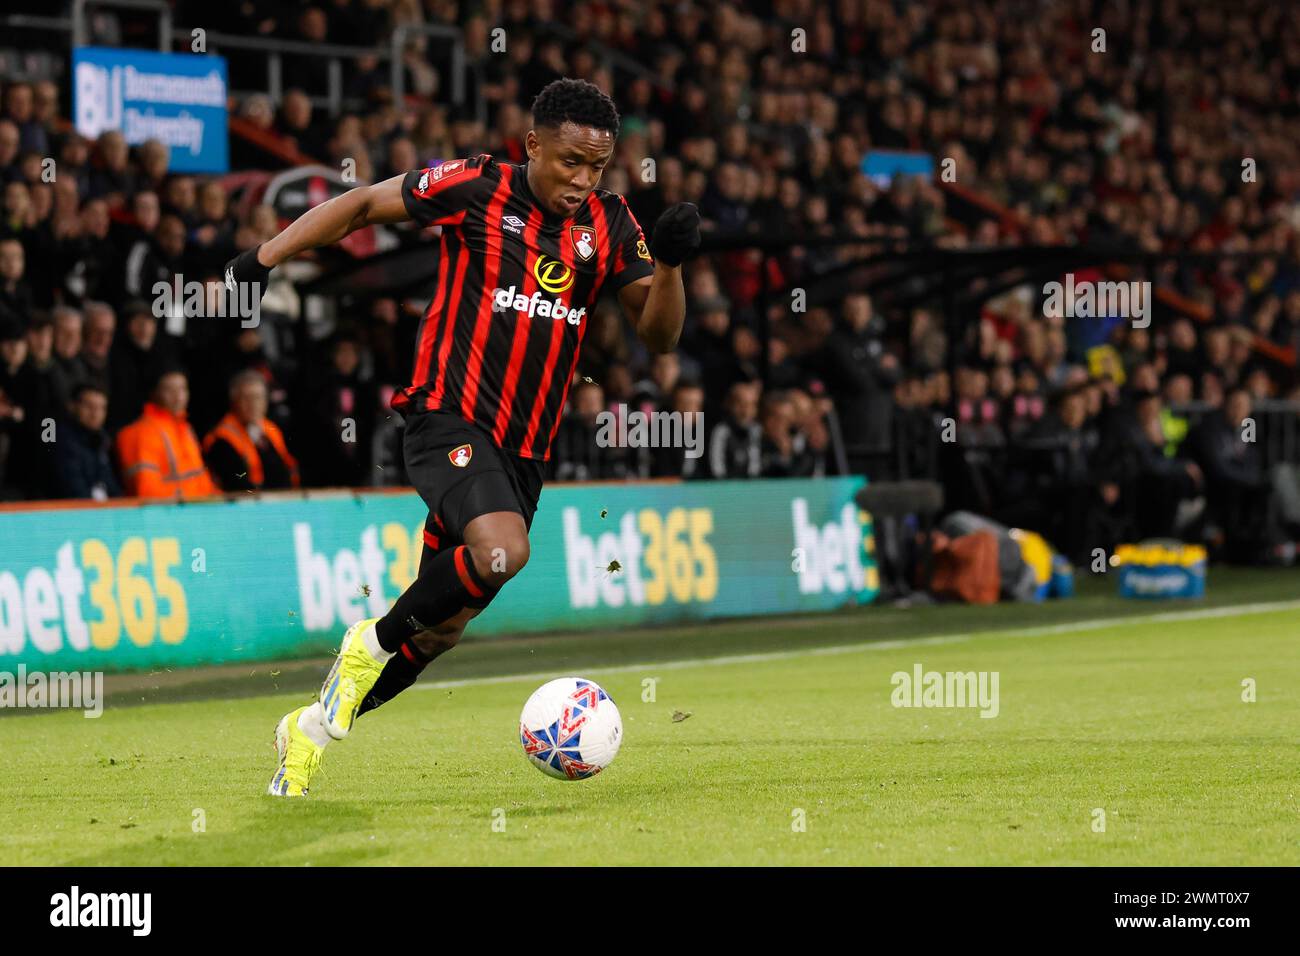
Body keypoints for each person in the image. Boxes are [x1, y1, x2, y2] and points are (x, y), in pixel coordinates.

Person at [224, 78, 698, 797]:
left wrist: (668, 268)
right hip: (446, 416)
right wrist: (261, 260)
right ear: (533, 143)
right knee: (502, 551)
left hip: (524, 450)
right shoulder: (478, 185)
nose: (582, 180)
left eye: (596, 167)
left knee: (442, 630)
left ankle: (311, 728)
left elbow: (660, 337)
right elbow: (358, 205)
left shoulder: (608, 222)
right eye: (570, 161)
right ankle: (368, 642)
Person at [114, 369, 220, 499]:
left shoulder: (185, 428)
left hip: (194, 511)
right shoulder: (140, 433)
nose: (178, 396)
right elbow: (147, 492)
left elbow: (202, 481)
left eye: (182, 389)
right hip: (168, 514)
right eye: (169, 390)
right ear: (154, 393)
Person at [202, 370, 300, 492]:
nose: (253, 404)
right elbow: (237, 485)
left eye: (258, 397)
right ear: (234, 402)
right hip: (247, 506)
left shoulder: (271, 429)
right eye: (247, 398)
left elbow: (284, 470)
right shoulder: (222, 439)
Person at [51, 383, 121, 500]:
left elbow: (111, 485)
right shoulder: (59, 441)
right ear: (72, 406)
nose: (95, 414)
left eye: (101, 408)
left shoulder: (102, 440)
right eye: (89, 406)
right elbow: (75, 492)